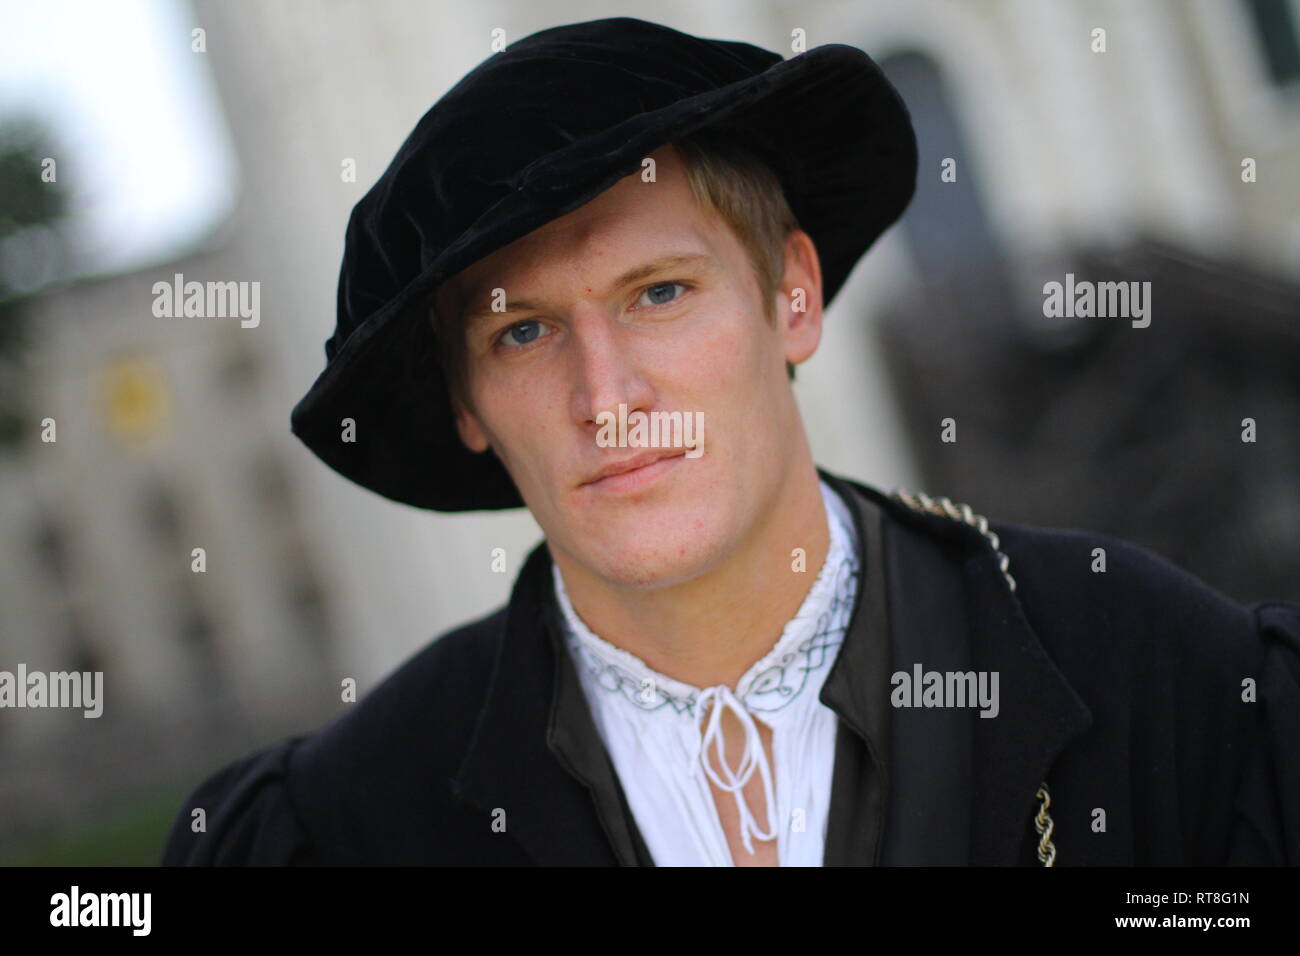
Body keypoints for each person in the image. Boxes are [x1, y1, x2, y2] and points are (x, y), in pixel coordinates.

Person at [162, 16, 1299, 867]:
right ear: (465, 402)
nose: (606, 395)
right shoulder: (353, 822)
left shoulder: (1162, 677)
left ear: (790, 294)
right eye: (523, 330)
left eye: (659, 293)